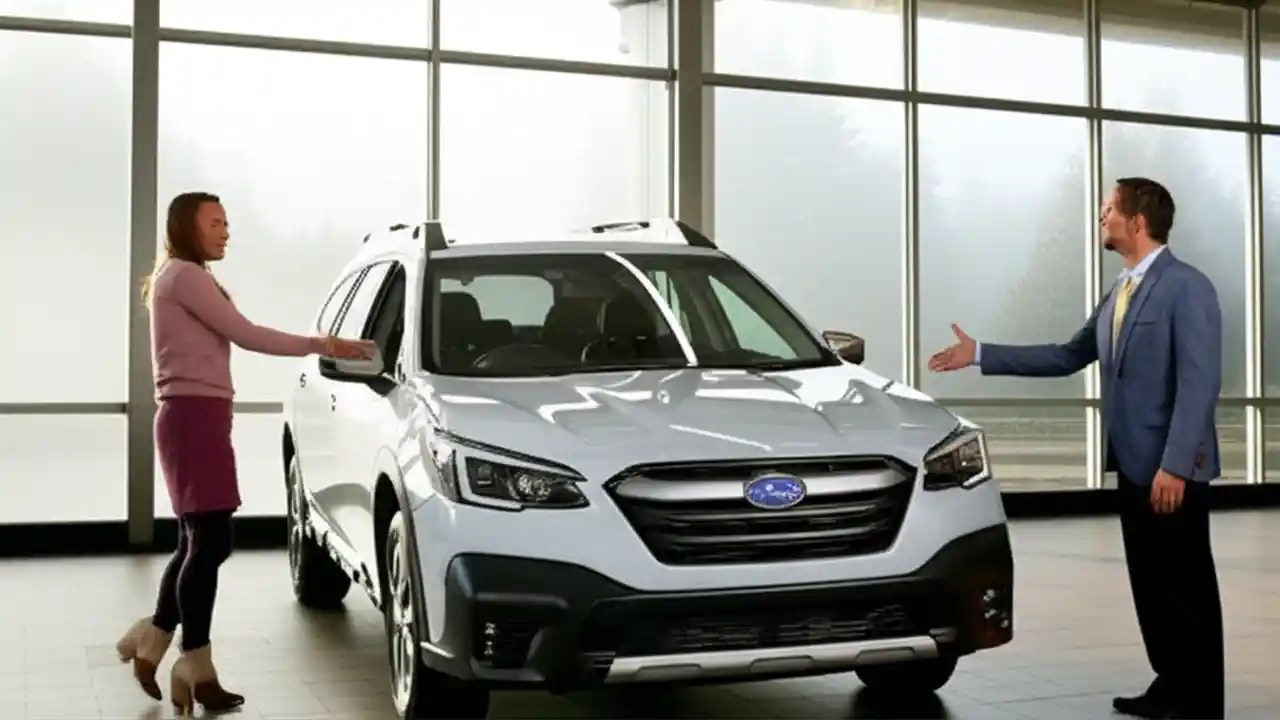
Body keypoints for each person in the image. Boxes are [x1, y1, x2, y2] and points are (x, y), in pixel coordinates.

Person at [929, 177, 1224, 719]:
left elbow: (1199, 384)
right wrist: (980, 354)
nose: (1102, 216)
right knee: (1152, 588)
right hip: (1133, 467)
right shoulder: (1118, 292)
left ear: (1138, 222)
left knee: (1187, 588)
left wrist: (1177, 465)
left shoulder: (1188, 287)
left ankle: (1201, 699)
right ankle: (1172, 684)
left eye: (1110, 209)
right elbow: (1067, 355)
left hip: (1170, 470)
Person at [113, 191, 375, 714]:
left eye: (227, 222)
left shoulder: (183, 276)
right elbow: (245, 334)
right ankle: (192, 659)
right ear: (186, 227)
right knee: (210, 539)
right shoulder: (185, 276)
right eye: (215, 222)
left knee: (198, 540)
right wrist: (323, 345)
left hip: (197, 417)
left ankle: (158, 637)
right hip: (192, 419)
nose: (226, 230)